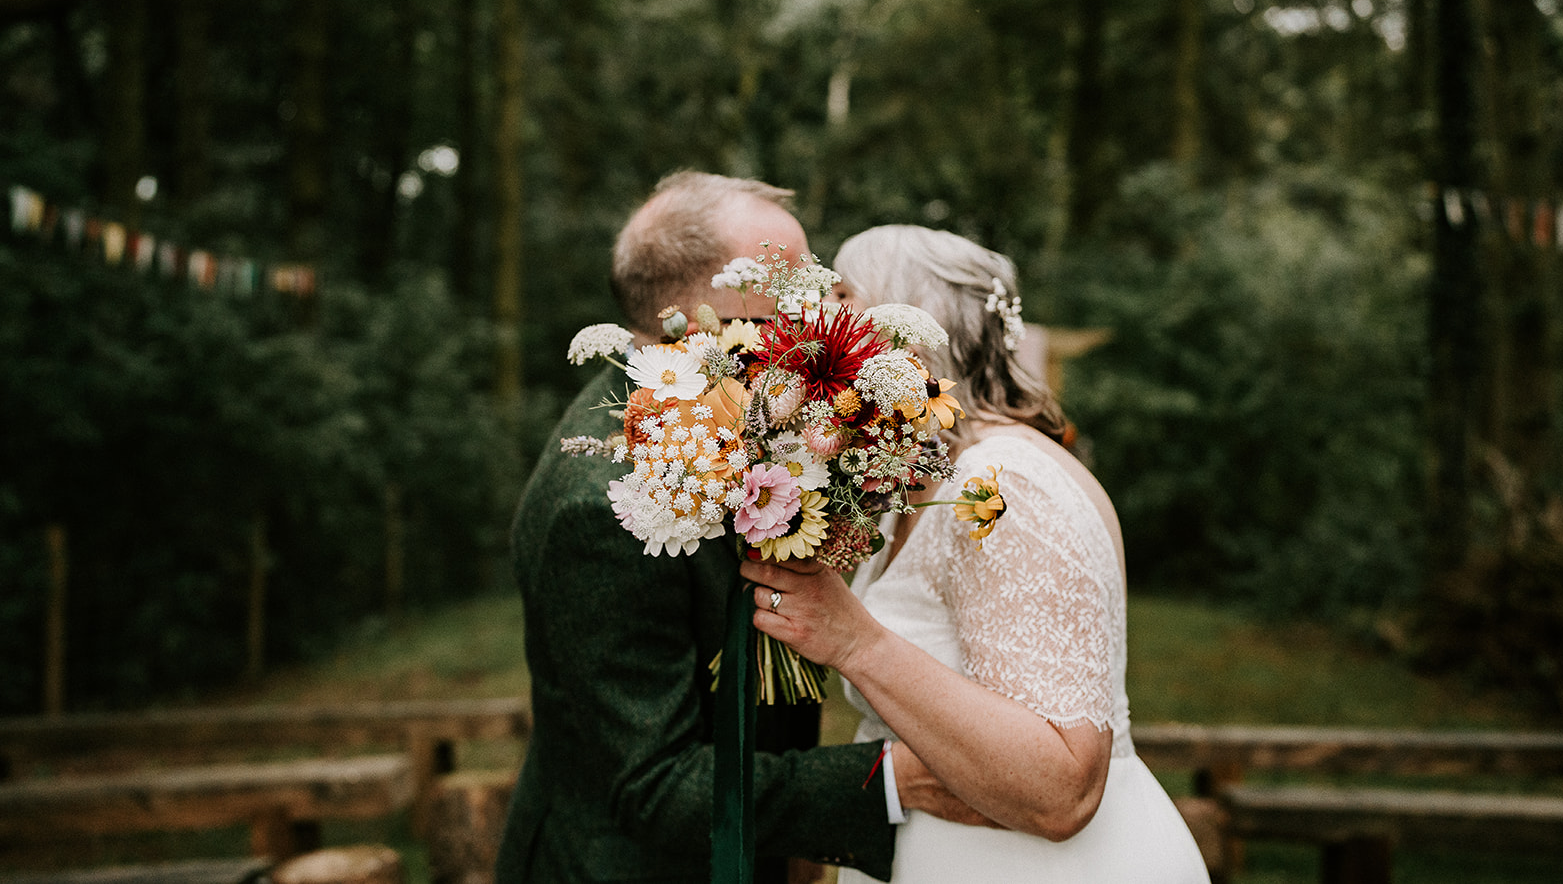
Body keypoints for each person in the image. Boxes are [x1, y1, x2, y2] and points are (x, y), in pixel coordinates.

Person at [495, 179, 980, 884]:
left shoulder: (728, 416)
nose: (814, 318)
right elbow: (652, 783)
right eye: (789, 301)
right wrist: (885, 779)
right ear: (695, 320)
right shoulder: (598, 507)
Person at [740, 225, 1211, 883]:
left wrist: (856, 641)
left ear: (907, 326)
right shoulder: (931, 478)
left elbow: (1062, 785)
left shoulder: (1005, 480)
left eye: (845, 295)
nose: (819, 325)